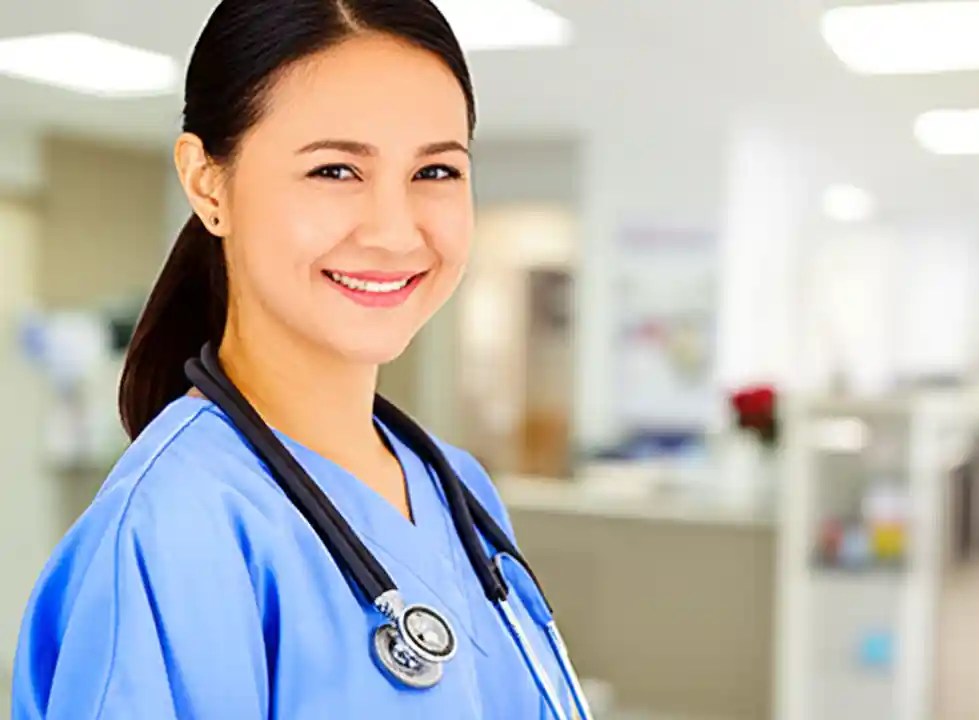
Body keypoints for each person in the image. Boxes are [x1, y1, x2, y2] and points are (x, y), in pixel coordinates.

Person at [10, 1, 585, 717]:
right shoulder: (175, 528)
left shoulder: (457, 489)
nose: (394, 231)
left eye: (435, 171)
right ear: (206, 183)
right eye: (336, 170)